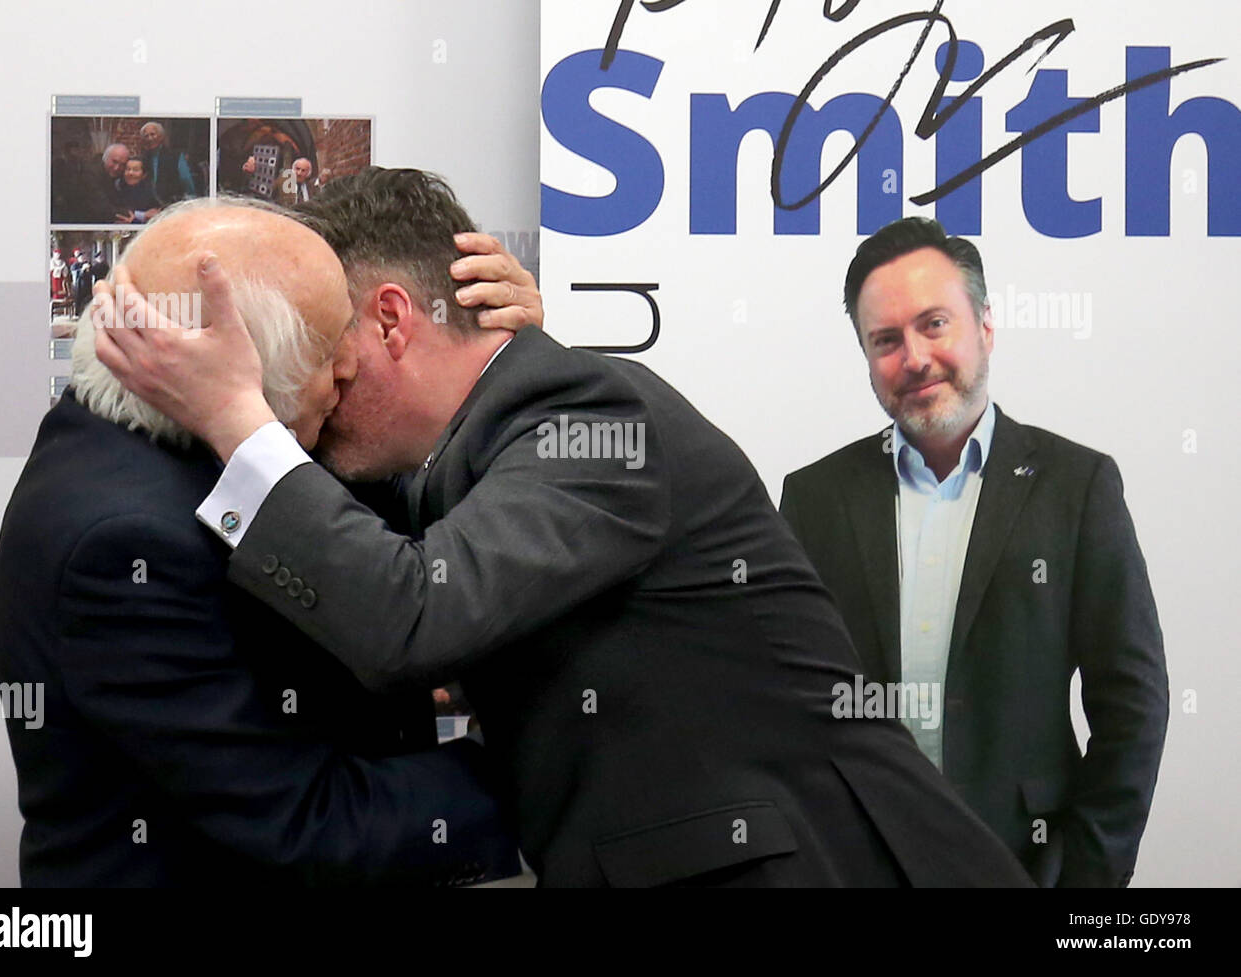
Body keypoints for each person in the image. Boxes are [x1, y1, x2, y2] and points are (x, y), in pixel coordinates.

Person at [95, 167, 1034, 888]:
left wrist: (235, 419)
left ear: (389, 321)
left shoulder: (588, 417)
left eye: (322, 348)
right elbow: (388, 557)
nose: (312, 388)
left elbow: (413, 614)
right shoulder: (491, 440)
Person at [0, 195, 539, 886]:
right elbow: (305, 822)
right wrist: (552, 777)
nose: (351, 366)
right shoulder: (125, 548)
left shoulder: (145, 439)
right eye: (329, 344)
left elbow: (390, 534)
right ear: (228, 371)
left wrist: (491, 366)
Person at [779, 217, 1169, 887]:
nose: (916, 357)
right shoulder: (813, 497)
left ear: (985, 325)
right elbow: (787, 699)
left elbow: (1133, 700)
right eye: (886, 340)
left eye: (935, 324)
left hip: (1024, 866)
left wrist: (1085, 880)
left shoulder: (1076, 487)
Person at [138, 121, 200, 205]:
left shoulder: (175, 156)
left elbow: (187, 181)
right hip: (150, 206)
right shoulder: (143, 158)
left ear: (161, 136)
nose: (150, 138)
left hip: (172, 204)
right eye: (146, 136)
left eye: (153, 134)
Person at [113, 157, 161, 224]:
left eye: (135, 170)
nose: (130, 173)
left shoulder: (152, 192)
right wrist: (142, 215)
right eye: (128, 169)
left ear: (144, 174)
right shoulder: (117, 188)